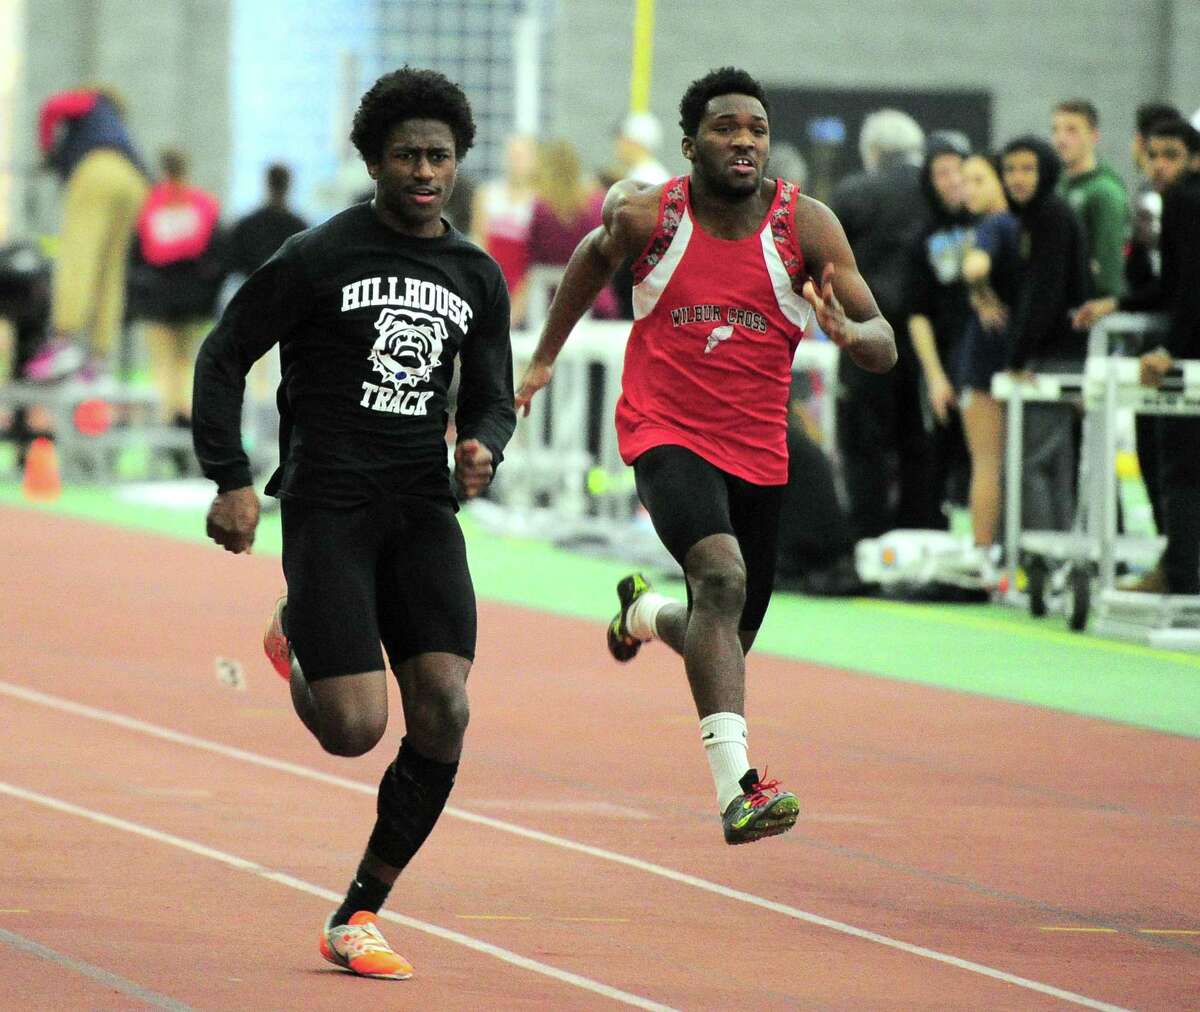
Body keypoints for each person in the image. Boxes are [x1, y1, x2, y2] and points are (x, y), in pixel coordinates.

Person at [514, 67, 896, 844]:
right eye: (726, 128)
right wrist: (542, 358)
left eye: (756, 128)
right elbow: (590, 258)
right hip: (665, 431)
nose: (745, 141)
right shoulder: (650, 215)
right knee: (720, 577)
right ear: (691, 146)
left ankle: (644, 612)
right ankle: (740, 790)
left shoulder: (808, 226)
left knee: (724, 631)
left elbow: (883, 340)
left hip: (758, 447)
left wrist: (854, 337)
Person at [192, 67, 515, 979]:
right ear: (374, 161)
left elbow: (492, 397)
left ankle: (358, 911)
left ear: (459, 165)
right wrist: (231, 477)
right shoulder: (317, 256)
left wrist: (485, 445)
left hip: (421, 508)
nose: (424, 171)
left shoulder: (476, 274)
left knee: (446, 706)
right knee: (352, 730)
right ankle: (298, 631)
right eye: (407, 155)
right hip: (331, 505)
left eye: (440, 156)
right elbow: (224, 355)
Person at [1074, 118, 1200, 594]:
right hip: (1186, 342)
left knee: (1181, 467)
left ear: (1193, 159)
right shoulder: (1174, 202)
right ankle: (1180, 566)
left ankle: (1182, 576)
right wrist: (1120, 302)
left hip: (1189, 355)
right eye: (1154, 155)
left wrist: (1173, 350)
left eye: (1172, 155)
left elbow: (1192, 288)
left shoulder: (1187, 200)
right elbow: (1170, 288)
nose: (1160, 165)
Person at [832, 109, 939, 539]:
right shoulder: (939, 190)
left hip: (866, 332)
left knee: (864, 439)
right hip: (928, 335)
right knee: (922, 436)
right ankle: (920, 529)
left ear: (872, 151)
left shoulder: (855, 191)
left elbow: (827, 262)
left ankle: (869, 533)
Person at [25, 84, 148, 381]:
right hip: (133, 182)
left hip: (96, 172)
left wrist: (47, 151)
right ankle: (99, 358)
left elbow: (52, 108)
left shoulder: (92, 99)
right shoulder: (117, 127)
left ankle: (62, 343)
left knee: (78, 257)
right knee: (111, 271)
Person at [1000, 136, 1089, 532]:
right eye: (1010, 169)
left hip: (1053, 357)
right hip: (1060, 354)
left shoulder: (1049, 216)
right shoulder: (1037, 217)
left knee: (1028, 463)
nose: (1017, 179)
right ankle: (1061, 561)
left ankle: (1041, 560)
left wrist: (1018, 358)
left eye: (1027, 169)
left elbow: (1045, 293)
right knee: (1055, 462)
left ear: (1046, 172)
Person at [953, 154, 1021, 574]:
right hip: (1006, 354)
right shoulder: (1021, 226)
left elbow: (974, 265)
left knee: (987, 464)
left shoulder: (994, 226)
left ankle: (982, 553)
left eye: (979, 180)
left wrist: (981, 294)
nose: (968, 189)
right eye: (965, 181)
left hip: (987, 358)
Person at [128, 149, 224, 435]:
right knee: (188, 362)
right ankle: (185, 415)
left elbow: (137, 253)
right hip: (194, 297)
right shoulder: (203, 204)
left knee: (162, 363)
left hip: (158, 296)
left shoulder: (150, 204)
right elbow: (216, 250)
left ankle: (169, 416)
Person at [906, 132, 973, 515]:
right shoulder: (925, 238)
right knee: (940, 465)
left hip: (989, 363)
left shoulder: (994, 224)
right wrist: (934, 377)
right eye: (941, 173)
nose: (952, 180)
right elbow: (918, 313)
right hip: (946, 363)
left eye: (958, 170)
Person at [1051, 99, 1129, 299]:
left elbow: (1108, 266)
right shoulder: (1054, 186)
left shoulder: (1105, 191)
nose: (1061, 139)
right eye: (1056, 130)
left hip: (1091, 308)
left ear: (1094, 136)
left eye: (1072, 130)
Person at [470, 134, 536, 307]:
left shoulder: (538, 201)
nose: (516, 162)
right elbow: (479, 240)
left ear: (533, 161)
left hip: (523, 281)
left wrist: (520, 301)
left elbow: (535, 255)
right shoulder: (487, 193)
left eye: (521, 157)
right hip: (492, 274)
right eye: (512, 156)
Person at [225, 163, 309, 279]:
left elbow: (232, 263)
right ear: (288, 185)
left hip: (252, 288)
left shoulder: (247, 224)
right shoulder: (300, 227)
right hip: (287, 292)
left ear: (268, 183)